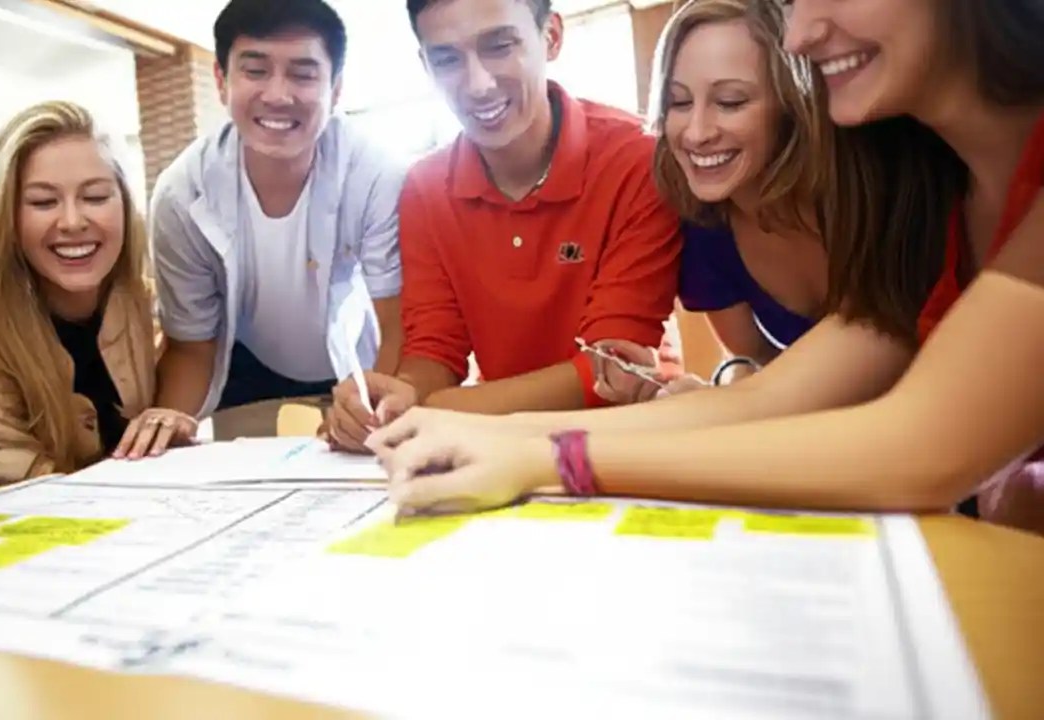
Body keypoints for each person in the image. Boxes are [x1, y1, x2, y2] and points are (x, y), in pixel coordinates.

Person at [370, 0, 1044, 535]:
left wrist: (545, 455)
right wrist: (505, 437)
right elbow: (764, 399)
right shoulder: (920, 196)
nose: (802, 33)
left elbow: (916, 449)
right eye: (681, 103)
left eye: (731, 100)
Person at [324, 0, 682, 451]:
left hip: (635, 434)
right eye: (447, 59)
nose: (477, 85)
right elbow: (435, 346)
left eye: (499, 46)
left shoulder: (636, 160)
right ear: (425, 66)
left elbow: (610, 369)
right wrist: (401, 395)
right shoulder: (425, 187)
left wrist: (428, 411)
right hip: (499, 441)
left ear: (550, 37)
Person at [150, 0, 405, 422]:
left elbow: (398, 322)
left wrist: (379, 412)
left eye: (303, 74)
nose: (278, 95)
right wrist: (165, 429)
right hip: (242, 365)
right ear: (221, 79)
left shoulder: (375, 175)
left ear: (336, 89)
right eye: (255, 70)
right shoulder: (182, 194)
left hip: (355, 368)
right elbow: (191, 346)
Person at [0, 101, 178, 490]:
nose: (73, 222)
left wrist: (174, 431)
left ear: (125, 205)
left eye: (95, 197)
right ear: (5, 218)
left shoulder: (139, 303)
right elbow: (48, 502)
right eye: (43, 202)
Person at [646, 0, 829, 395]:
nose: (696, 133)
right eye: (678, 102)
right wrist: (723, 389)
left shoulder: (857, 190)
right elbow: (763, 366)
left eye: (730, 102)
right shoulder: (702, 229)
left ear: (791, 104)